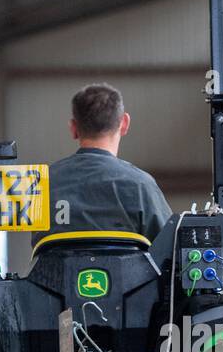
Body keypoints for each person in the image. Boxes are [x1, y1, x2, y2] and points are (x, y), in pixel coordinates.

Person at [33, 82, 172, 249]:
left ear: (74, 128)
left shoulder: (43, 183)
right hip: (125, 276)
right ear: (125, 123)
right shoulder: (141, 185)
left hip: (54, 275)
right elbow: (169, 248)